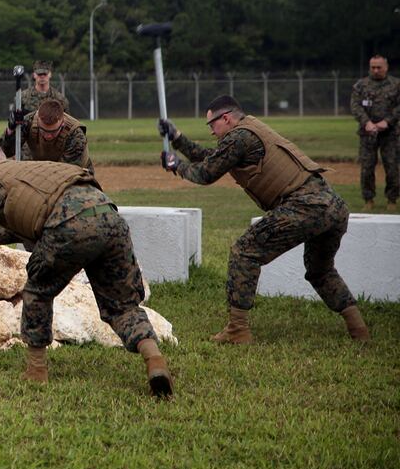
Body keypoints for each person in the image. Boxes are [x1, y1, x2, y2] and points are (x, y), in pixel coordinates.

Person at [0, 141, 173, 398]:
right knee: (121, 305)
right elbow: (22, 222)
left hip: (68, 226)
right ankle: (155, 361)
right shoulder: (30, 172)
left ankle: (36, 371)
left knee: (37, 291)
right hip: (110, 218)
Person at [158, 95, 370, 345]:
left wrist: (176, 166)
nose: (212, 131)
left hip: (305, 206)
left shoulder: (239, 137)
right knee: (320, 270)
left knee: (244, 251)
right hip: (332, 206)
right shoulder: (249, 131)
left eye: (212, 125)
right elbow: (213, 156)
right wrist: (177, 138)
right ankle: (359, 330)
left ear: (225, 118)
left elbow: (206, 173)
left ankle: (237, 329)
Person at [0, 61, 93, 173]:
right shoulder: (24, 100)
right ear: (34, 75)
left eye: (45, 74)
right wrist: (11, 129)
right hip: (30, 150)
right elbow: (5, 149)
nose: (42, 77)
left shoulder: (61, 101)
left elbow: (67, 172)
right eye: (39, 74)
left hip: (60, 157)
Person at [349, 55, 399, 211]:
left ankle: (392, 200)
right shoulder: (361, 86)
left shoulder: (396, 85)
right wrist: (367, 123)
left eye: (379, 67)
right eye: (373, 67)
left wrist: (388, 121)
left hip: (390, 134)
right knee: (367, 168)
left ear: (386, 67)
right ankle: (368, 199)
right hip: (368, 134)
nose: (375, 70)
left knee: (391, 167)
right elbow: (355, 106)